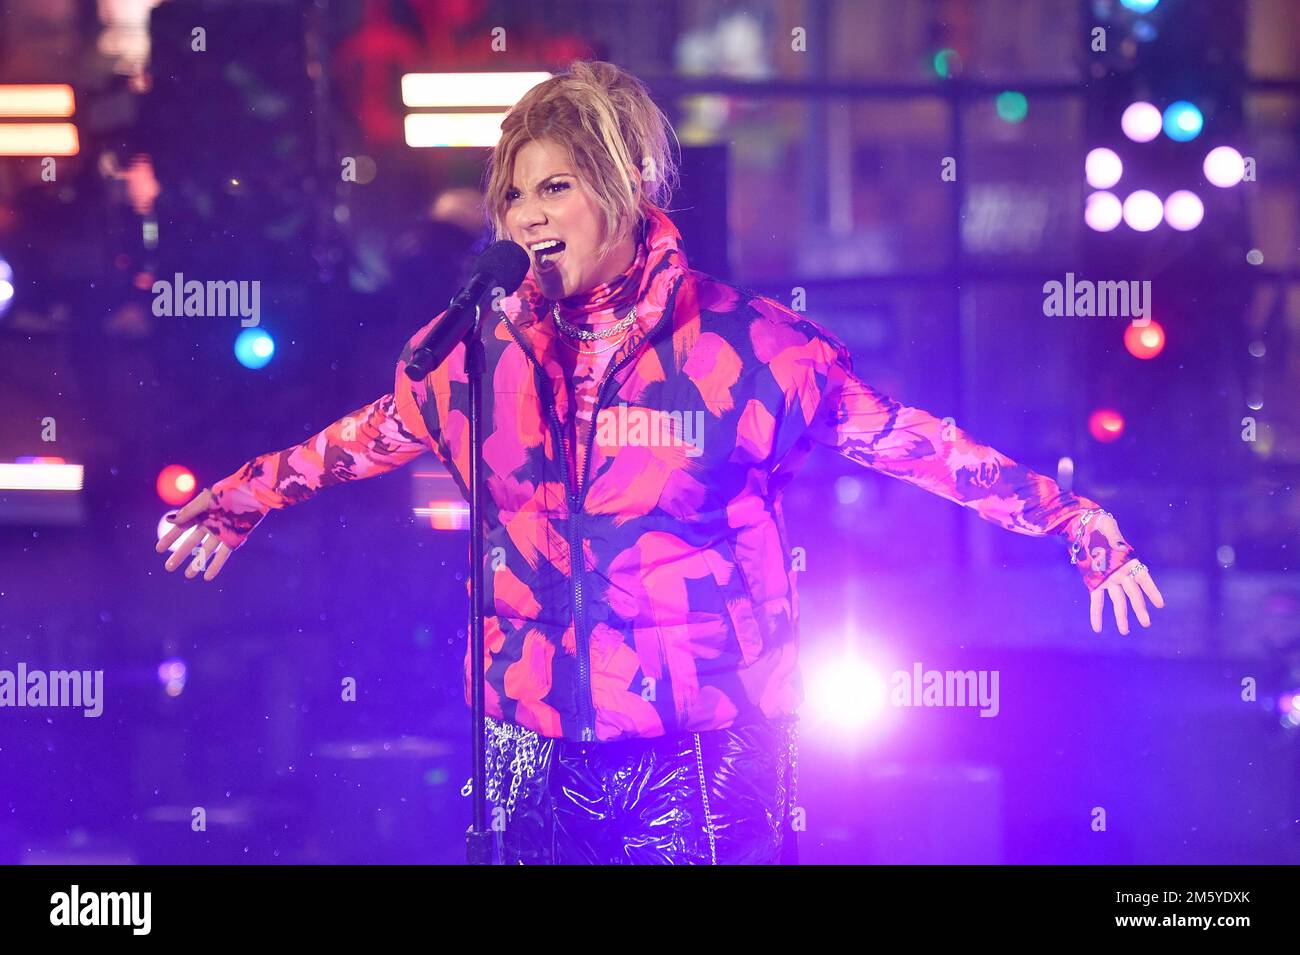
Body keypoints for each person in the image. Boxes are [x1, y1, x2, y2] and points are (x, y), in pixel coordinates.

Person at [155, 60, 1165, 864]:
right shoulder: (475, 352)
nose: (529, 216)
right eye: (513, 197)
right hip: (527, 753)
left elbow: (913, 443)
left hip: (704, 757)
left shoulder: (750, 349)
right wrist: (237, 500)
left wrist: (1078, 528)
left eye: (556, 187)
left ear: (627, 188)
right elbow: (361, 436)